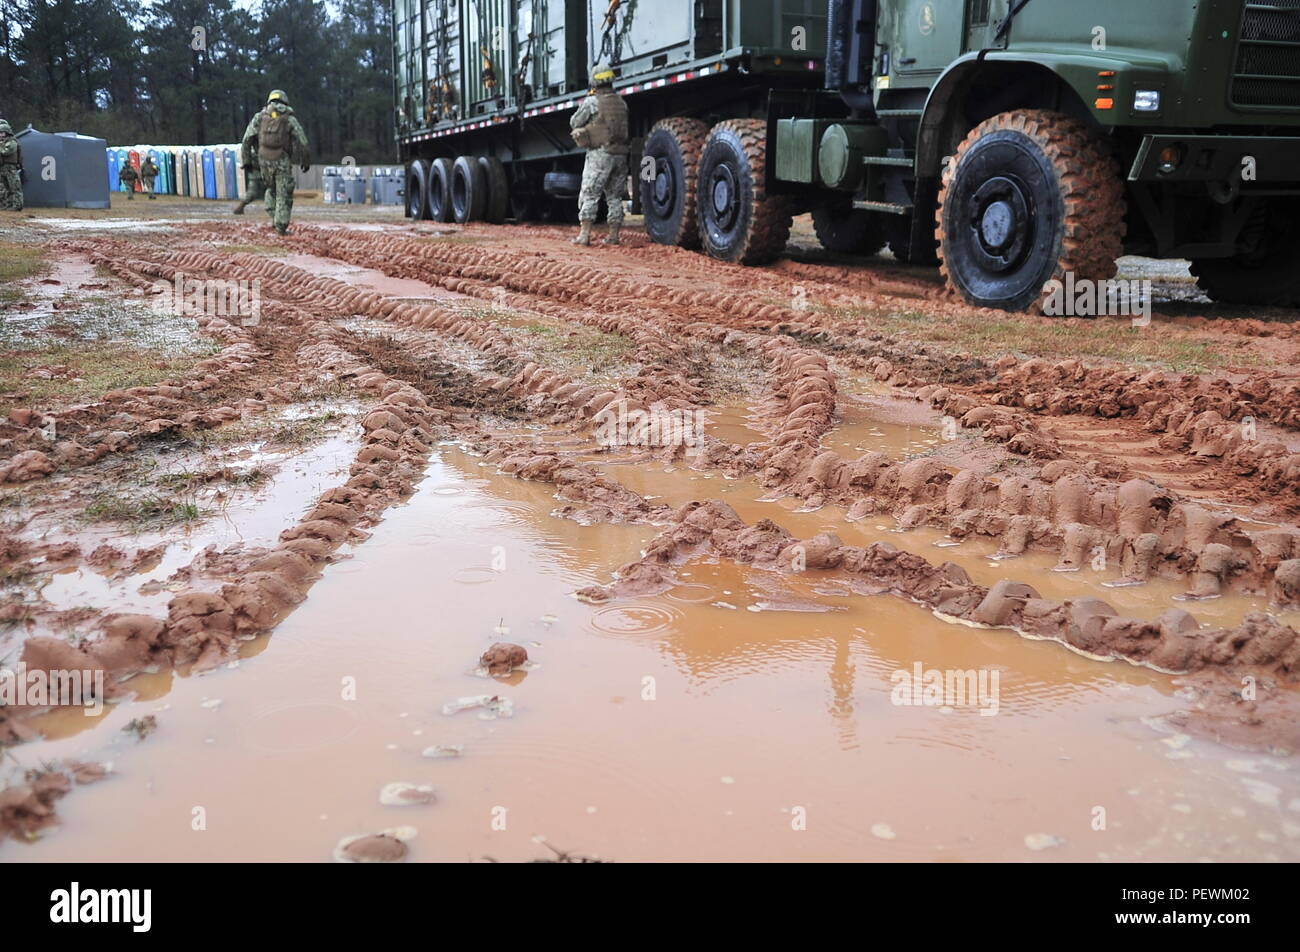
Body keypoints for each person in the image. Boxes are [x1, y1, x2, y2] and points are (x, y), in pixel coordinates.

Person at [568, 64, 628, 246]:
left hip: (601, 154)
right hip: (620, 153)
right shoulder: (621, 102)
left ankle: (584, 236)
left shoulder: (592, 102)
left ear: (594, 81)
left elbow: (574, 122)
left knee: (590, 192)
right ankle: (613, 236)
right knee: (615, 196)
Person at [241, 89, 311, 235]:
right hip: (281, 160)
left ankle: (275, 216)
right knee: (283, 193)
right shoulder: (289, 119)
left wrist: (247, 161)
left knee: (271, 190)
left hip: (263, 160)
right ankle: (281, 227)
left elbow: (246, 140)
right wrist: (305, 160)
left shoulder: (259, 117)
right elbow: (303, 142)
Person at [233, 137, 266, 215]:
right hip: (256, 174)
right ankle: (240, 207)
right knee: (252, 193)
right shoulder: (254, 151)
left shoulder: (253, 149)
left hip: (258, 174)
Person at [0, 120, 22, 212]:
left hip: (10, 168)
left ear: (7, 132)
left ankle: (17, 205)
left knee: (14, 187)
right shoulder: (3, 142)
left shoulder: (12, 142)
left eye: (2, 133)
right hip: (3, 167)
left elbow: (6, 151)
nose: (1, 135)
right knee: (6, 188)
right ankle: (8, 205)